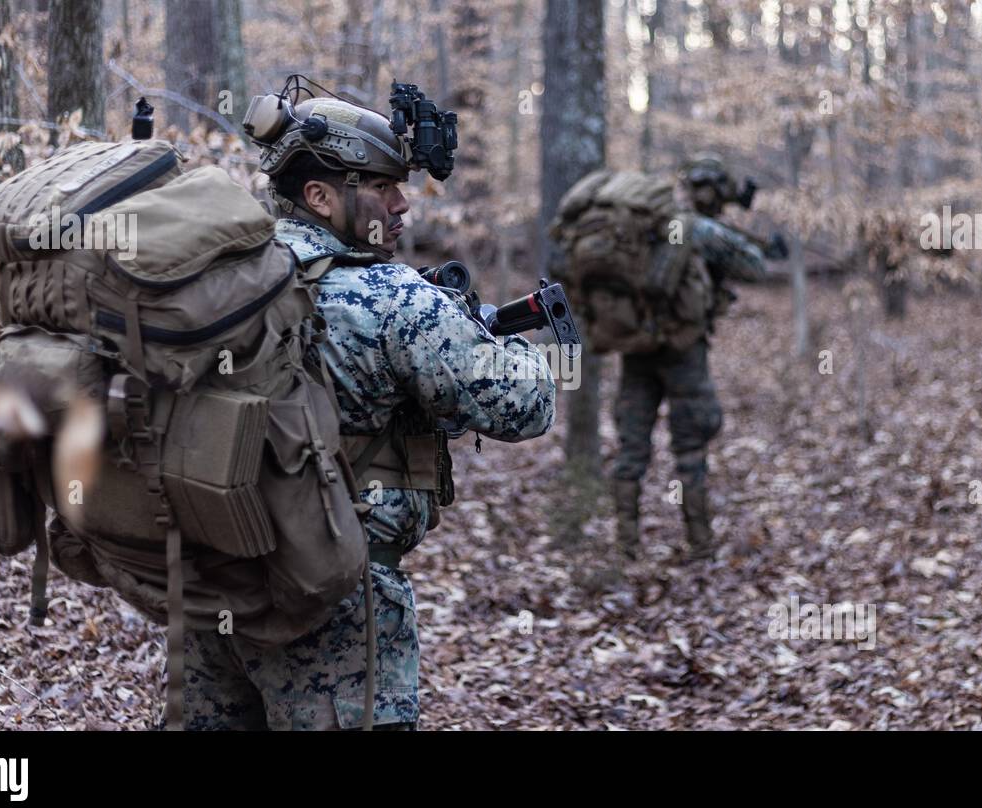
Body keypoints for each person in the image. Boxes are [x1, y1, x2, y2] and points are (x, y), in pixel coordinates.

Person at [181, 92, 556, 730]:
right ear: (322, 196)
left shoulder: (213, 278)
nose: (402, 203)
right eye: (383, 187)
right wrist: (500, 344)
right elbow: (525, 405)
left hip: (210, 593)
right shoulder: (392, 298)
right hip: (334, 605)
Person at [607, 155, 772, 561]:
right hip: (684, 352)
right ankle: (700, 547)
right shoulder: (699, 229)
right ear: (713, 193)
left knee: (631, 451)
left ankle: (626, 548)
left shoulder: (641, 226)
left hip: (637, 348)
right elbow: (756, 267)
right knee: (690, 450)